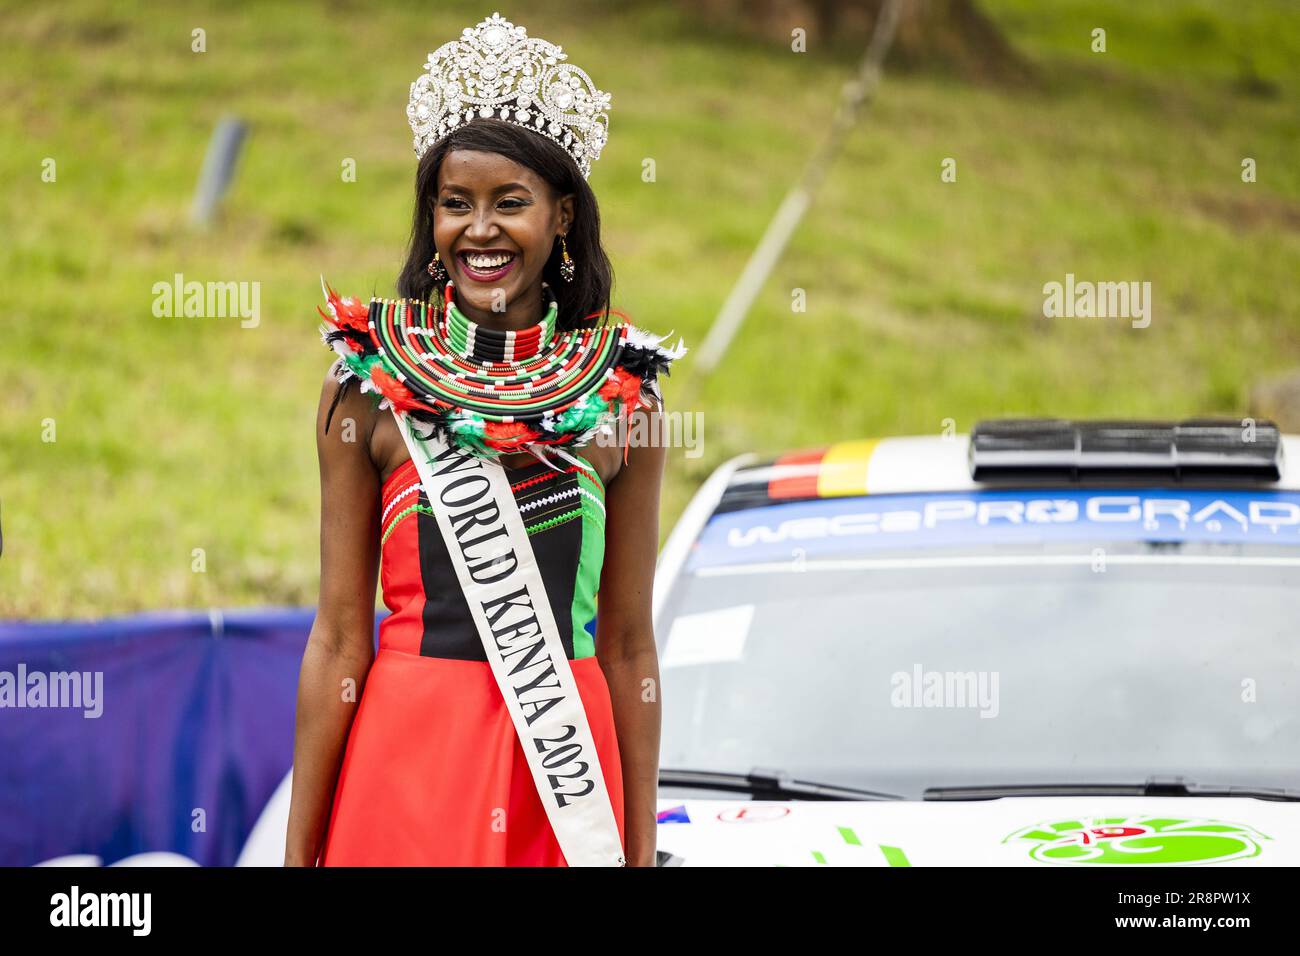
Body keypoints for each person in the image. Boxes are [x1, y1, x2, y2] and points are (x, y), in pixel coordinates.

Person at [284, 12, 686, 867]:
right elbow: (339, 638)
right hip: (409, 758)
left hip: (564, 775)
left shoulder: (624, 395)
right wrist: (298, 859)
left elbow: (626, 645)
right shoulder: (367, 386)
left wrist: (640, 851)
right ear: (430, 219)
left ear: (563, 216)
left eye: (511, 204)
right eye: (454, 204)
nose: (480, 231)